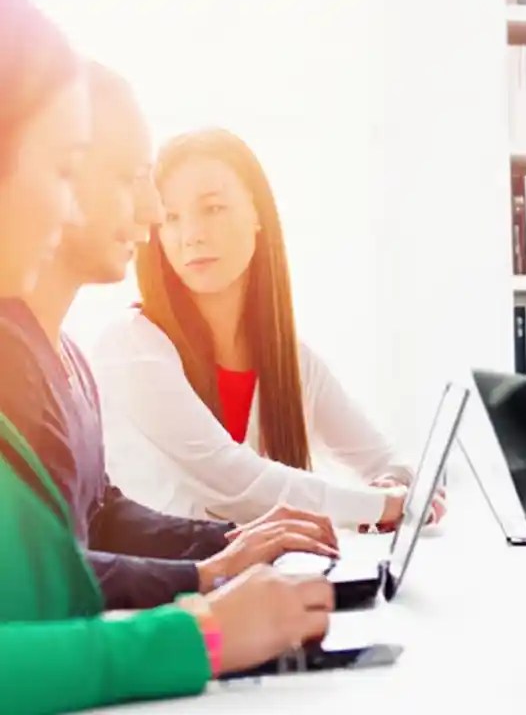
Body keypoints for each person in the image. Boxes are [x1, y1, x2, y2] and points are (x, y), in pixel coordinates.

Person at [0, 0, 332, 711]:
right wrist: (202, 624)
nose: (155, 217)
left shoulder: (65, 358)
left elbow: (80, 543)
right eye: (66, 172)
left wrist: (223, 552)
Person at [91, 126, 444, 530]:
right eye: (171, 218)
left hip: (267, 584)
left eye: (213, 208)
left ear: (258, 214)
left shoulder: (289, 359)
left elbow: (387, 462)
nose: (191, 235)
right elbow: (236, 481)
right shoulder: (130, 346)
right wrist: (382, 505)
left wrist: (395, 487)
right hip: (173, 592)